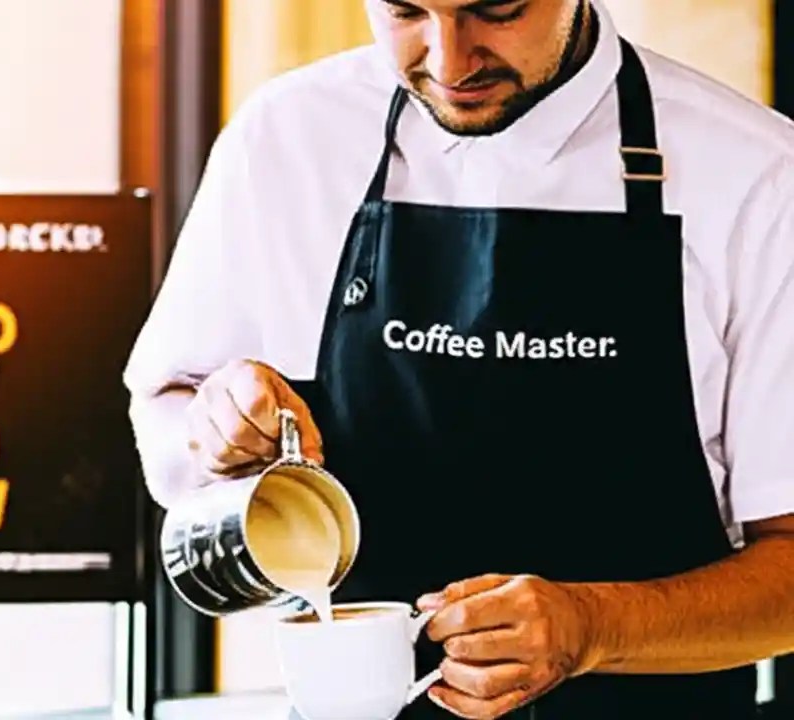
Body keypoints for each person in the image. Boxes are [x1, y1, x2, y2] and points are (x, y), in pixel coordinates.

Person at [122, 0, 794, 718]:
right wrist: (217, 432)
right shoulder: (286, 140)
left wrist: (597, 626)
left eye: (497, 10)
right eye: (405, 11)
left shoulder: (756, 173)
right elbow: (171, 412)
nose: (449, 61)